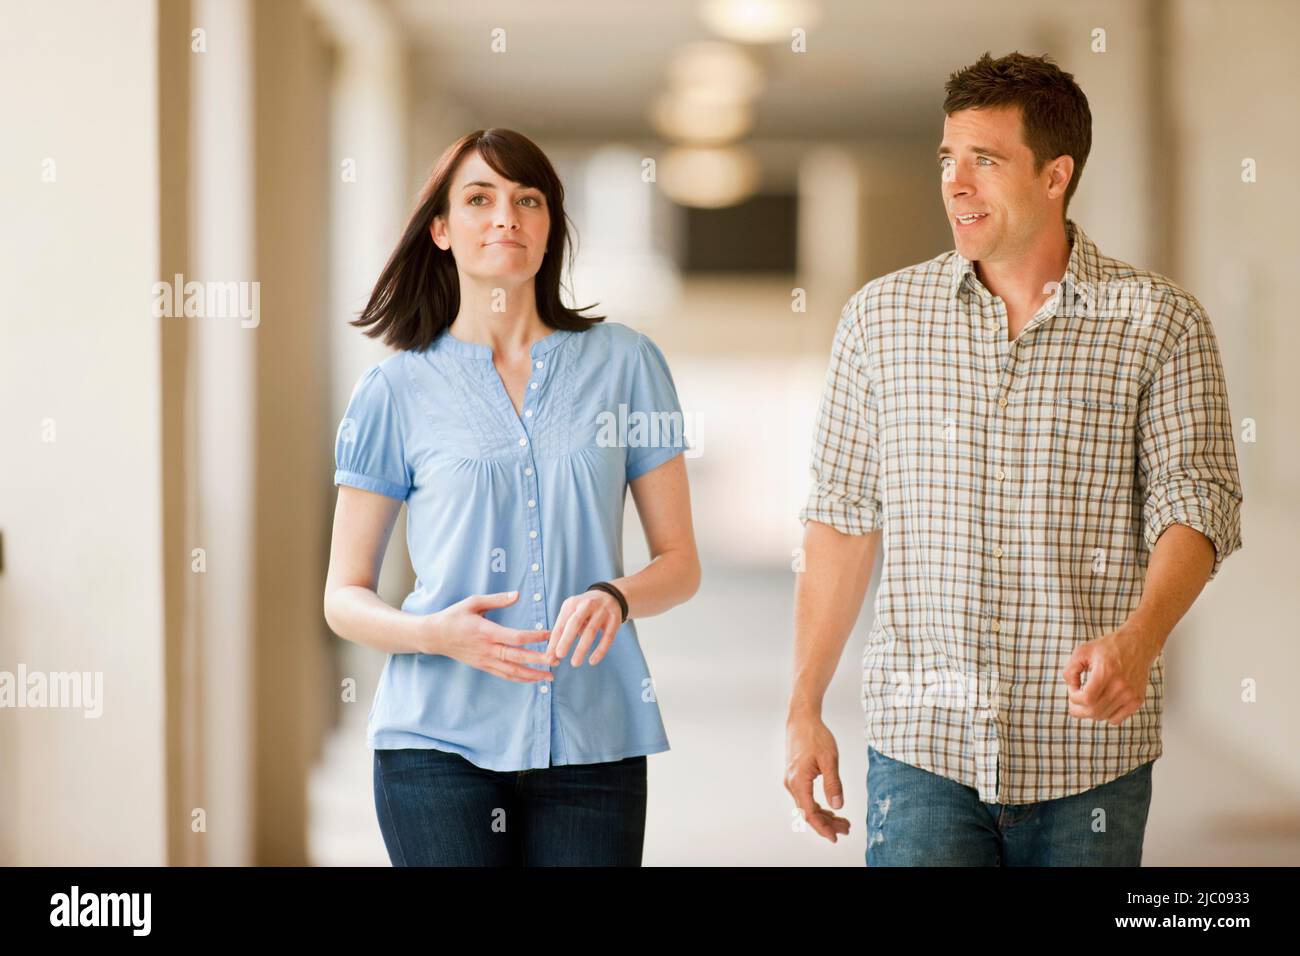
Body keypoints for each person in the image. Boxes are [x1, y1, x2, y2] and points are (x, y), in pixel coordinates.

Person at [784, 52, 1243, 866]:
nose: (955, 184)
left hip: (1088, 756)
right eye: (947, 159)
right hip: (922, 748)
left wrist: (1141, 637)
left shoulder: (1160, 323)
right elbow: (842, 519)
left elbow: (1197, 502)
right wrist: (804, 704)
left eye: (985, 161)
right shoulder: (879, 321)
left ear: (1055, 174)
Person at [323, 128, 700, 866]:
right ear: (441, 229)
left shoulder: (628, 364)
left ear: (550, 225)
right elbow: (344, 596)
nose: (506, 217)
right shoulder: (393, 390)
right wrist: (435, 634)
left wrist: (616, 596)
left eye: (528, 200)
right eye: (479, 199)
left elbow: (680, 563)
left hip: (595, 740)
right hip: (434, 743)